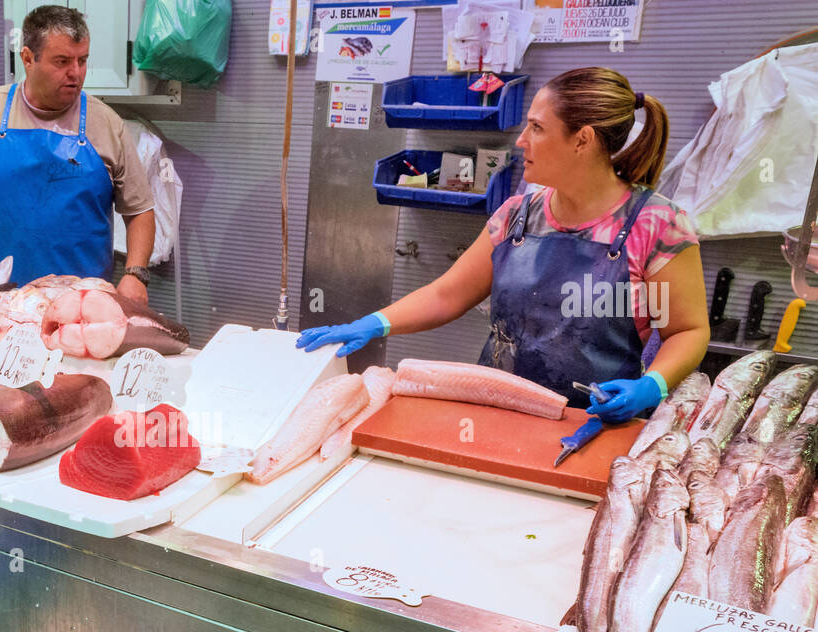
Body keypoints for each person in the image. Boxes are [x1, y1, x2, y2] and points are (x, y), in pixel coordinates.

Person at [297, 68, 710, 422]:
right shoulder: (516, 215)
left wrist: (653, 386)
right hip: (496, 411)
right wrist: (374, 323)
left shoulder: (657, 226)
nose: (521, 141)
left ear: (582, 140)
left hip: (593, 422)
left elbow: (686, 330)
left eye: (537, 127)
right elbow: (447, 295)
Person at [0, 5, 156, 302]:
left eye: (83, 60)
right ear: (28, 58)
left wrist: (136, 274)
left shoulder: (106, 123)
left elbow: (140, 211)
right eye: (62, 61)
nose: (76, 73)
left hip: (80, 306)